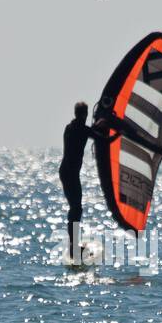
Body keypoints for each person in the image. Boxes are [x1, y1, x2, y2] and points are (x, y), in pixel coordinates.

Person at [59, 100, 96, 263]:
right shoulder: (80, 129)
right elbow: (103, 139)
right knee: (76, 208)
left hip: (68, 172)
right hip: (70, 173)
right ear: (84, 114)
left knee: (76, 208)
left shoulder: (70, 127)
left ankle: (73, 245)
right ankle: (73, 247)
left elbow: (93, 133)